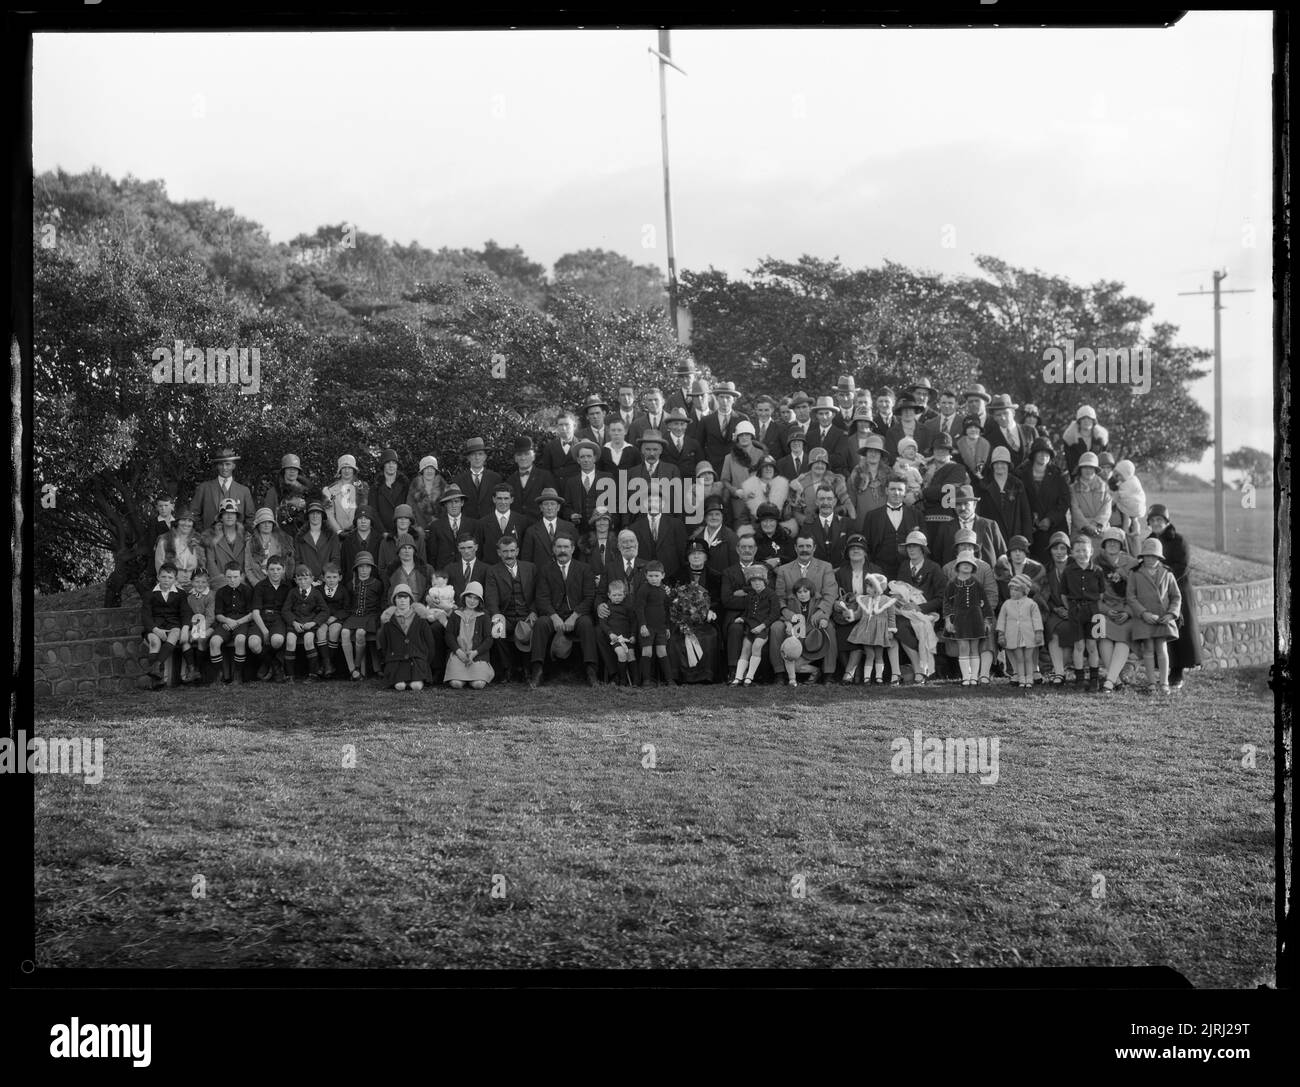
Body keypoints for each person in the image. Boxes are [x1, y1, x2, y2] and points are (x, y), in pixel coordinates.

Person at [529, 535, 599, 688]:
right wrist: (554, 617)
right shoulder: (545, 570)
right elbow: (542, 598)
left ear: (573, 549)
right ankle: (537, 671)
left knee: (587, 624)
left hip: (577, 614)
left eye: (566, 547)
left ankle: (591, 671)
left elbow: (589, 597)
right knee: (541, 624)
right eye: (559, 547)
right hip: (553, 613)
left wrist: (574, 617)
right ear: (553, 549)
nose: (562, 550)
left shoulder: (584, 569)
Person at [1145, 505, 1202, 688]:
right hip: (1158, 593)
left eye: (1159, 520)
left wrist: (1163, 580)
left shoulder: (1179, 541)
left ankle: (1178, 672)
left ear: (1167, 522)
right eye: (1152, 520)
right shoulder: (1150, 541)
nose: (1156, 523)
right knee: (1163, 632)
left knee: (1180, 630)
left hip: (1178, 590)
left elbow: (1181, 566)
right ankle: (1165, 671)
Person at [769, 535, 838, 683]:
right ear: (795, 548)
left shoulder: (825, 567)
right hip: (792, 615)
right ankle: (780, 673)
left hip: (815, 614)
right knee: (776, 628)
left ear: (814, 548)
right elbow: (779, 597)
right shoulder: (784, 570)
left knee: (829, 628)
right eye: (801, 546)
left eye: (808, 546)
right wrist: (786, 613)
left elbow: (830, 593)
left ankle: (828, 673)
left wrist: (821, 612)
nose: (804, 550)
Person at [1127, 537, 1183, 694]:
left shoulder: (1167, 573)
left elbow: (1176, 596)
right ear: (1142, 557)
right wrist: (1143, 613)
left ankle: (1164, 682)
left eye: (1154, 556)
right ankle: (1151, 682)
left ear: (1159, 557)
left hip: (1162, 618)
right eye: (1147, 555)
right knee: (1148, 649)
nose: (1150, 559)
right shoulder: (1135, 573)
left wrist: (1171, 614)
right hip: (1144, 619)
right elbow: (1130, 597)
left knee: (1161, 647)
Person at [890, 530, 946, 684]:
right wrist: (898, 599)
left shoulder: (934, 568)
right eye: (909, 547)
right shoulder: (903, 566)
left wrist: (920, 607)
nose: (911, 550)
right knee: (895, 625)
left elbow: (942, 597)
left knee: (909, 626)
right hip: (904, 612)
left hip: (927, 613)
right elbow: (901, 590)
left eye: (915, 546)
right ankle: (917, 669)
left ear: (923, 549)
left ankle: (920, 669)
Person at [483, 534, 538, 684]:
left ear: (517, 551)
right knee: (498, 630)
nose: (509, 555)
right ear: (499, 553)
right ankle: (507, 669)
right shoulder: (493, 571)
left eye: (512, 551)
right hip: (505, 614)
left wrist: (534, 611)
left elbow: (538, 594)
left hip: (526, 614)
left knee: (531, 631)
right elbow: (491, 597)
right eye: (505, 551)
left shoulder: (530, 568)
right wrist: (496, 615)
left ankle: (527, 670)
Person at [668, 537, 721, 684]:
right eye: (692, 553)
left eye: (699, 553)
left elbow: (718, 599)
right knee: (675, 639)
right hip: (683, 621)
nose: (696, 556)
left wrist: (710, 610)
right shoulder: (676, 576)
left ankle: (706, 676)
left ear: (706, 556)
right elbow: (672, 598)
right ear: (687, 557)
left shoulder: (716, 576)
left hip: (706, 620)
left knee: (710, 636)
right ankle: (680, 677)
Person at [1094, 527, 1137, 693]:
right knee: (1103, 633)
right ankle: (1115, 680)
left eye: (1116, 542)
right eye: (1109, 542)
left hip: (1126, 610)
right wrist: (1105, 610)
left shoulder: (1132, 563)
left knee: (1123, 638)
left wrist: (1127, 611)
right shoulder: (1096, 563)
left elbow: (1136, 593)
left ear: (1121, 545)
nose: (1112, 545)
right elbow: (1092, 594)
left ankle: (1109, 681)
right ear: (1104, 544)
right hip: (1104, 609)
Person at [1017, 437, 1071, 564]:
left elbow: (1065, 501)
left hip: (1054, 528)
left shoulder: (1058, 475)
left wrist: (1050, 519)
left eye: (1047, 453)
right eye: (1040, 452)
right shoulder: (1021, 475)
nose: (1043, 455)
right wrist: (1031, 518)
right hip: (1031, 530)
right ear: (1033, 454)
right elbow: (1019, 501)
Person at [861, 476, 923, 581]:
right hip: (880, 570)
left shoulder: (916, 515)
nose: (896, 493)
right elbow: (866, 545)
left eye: (900, 490)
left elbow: (923, 545)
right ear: (886, 491)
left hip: (909, 570)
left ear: (905, 492)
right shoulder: (872, 516)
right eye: (892, 489)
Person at [943, 556, 993, 686]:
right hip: (959, 619)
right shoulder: (952, 584)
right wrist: (948, 621)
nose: (966, 565)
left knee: (974, 647)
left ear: (973, 568)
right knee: (963, 646)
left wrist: (987, 620)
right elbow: (946, 603)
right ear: (957, 566)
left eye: (969, 564)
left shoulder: (977, 583)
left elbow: (986, 603)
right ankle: (966, 676)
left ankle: (974, 677)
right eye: (963, 563)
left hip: (975, 618)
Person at [143, 562, 190, 689]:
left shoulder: (180, 594)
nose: (166, 580)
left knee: (175, 632)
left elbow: (186, 613)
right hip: (155, 626)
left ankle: (156, 666)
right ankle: (156, 682)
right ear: (158, 577)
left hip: (173, 625)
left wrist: (185, 627)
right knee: (154, 642)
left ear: (175, 579)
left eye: (170, 578)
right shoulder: (149, 594)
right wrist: (155, 630)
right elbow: (146, 616)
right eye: (163, 577)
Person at [380, 585, 435, 692]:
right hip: (396, 660)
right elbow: (384, 643)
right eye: (399, 597)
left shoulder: (420, 618)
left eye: (405, 597)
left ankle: (416, 678)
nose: (402, 600)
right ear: (394, 600)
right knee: (400, 686)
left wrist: (425, 660)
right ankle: (399, 678)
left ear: (410, 599)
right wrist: (389, 658)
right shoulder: (388, 620)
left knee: (416, 686)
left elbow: (430, 643)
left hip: (417, 660)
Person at [780, 578, 833, 686]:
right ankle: (808, 674)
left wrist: (824, 619)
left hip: (812, 642)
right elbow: (783, 616)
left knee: (795, 665)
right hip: (798, 640)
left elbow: (825, 612)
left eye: (805, 592)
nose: (802, 595)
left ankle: (818, 671)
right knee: (791, 663)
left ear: (811, 592)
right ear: (795, 594)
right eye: (799, 592)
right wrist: (788, 623)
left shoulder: (818, 602)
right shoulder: (792, 602)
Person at [919, 433, 969, 547]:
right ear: (933, 451)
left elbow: (947, 489)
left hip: (946, 521)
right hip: (923, 521)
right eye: (937, 448)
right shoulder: (923, 468)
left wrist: (922, 493)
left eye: (945, 449)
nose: (940, 451)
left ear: (950, 452)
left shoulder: (958, 469)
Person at [282, 563, 329, 681]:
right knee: (290, 641)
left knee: (309, 641)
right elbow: (285, 610)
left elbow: (325, 611)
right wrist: (293, 622)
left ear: (312, 579)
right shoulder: (292, 592)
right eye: (300, 579)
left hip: (309, 623)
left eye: (305, 578)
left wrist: (313, 623)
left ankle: (313, 674)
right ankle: (289, 675)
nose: (303, 582)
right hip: (295, 623)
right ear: (295, 580)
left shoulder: (316, 593)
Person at [731, 565, 778, 686]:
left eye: (759, 580)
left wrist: (762, 626)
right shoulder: (750, 595)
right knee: (745, 648)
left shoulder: (771, 595)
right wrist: (742, 618)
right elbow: (748, 612)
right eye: (753, 581)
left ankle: (749, 677)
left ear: (765, 581)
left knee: (756, 646)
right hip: (751, 626)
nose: (757, 583)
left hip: (763, 627)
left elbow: (774, 614)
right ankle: (738, 677)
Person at [192, 448, 256, 533]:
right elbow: (194, 514)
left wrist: (241, 534)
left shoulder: (244, 491)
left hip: (236, 541)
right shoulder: (204, 488)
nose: (224, 468)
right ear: (217, 466)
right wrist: (204, 532)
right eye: (221, 464)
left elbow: (251, 517)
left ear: (233, 466)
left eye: (228, 464)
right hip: (210, 541)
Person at [978, 447, 1034, 547]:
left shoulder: (1017, 484)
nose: (999, 466)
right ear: (992, 465)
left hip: (1014, 535)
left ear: (1008, 465)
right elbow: (979, 512)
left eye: (1003, 463)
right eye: (996, 463)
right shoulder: (984, 485)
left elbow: (1025, 512)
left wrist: (1027, 537)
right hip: (991, 536)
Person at [444, 582, 495, 689]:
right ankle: (461, 676)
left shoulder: (484, 615)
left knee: (478, 684)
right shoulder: (456, 613)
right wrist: (458, 651)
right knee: (456, 684)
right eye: (469, 597)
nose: (472, 601)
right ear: (464, 597)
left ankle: (473, 676)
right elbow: (449, 635)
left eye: (476, 598)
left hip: (477, 656)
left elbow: (489, 639)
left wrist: (475, 653)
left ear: (480, 601)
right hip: (458, 654)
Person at [996, 574, 1044, 688]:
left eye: (1016, 589)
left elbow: (1037, 619)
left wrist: (1038, 633)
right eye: (1011, 589)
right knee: (1019, 658)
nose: (1013, 592)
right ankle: (1021, 679)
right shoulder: (1006, 604)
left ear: (1024, 591)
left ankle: (1029, 678)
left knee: (1028, 658)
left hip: (1029, 635)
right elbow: (1002, 620)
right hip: (1013, 635)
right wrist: (1001, 634)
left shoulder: (1031, 604)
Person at [249, 554, 292, 682]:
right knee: (254, 644)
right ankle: (271, 663)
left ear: (283, 570)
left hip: (278, 618)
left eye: (278, 569)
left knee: (277, 641)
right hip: (261, 618)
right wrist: (264, 631)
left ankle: (271, 664)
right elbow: (255, 612)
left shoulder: (288, 587)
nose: (275, 572)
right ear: (266, 570)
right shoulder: (260, 586)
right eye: (272, 569)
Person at [341, 551, 382, 680]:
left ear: (371, 568)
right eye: (361, 567)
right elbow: (347, 605)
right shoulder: (351, 584)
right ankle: (351, 669)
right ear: (356, 568)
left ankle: (358, 665)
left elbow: (380, 604)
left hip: (370, 615)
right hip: (354, 615)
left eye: (367, 567)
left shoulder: (377, 584)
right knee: (344, 632)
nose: (364, 570)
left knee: (360, 633)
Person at [211, 560, 253, 684]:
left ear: (241, 576)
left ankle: (237, 675)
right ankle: (219, 675)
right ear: (225, 576)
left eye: (235, 577)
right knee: (214, 641)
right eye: (229, 577)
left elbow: (251, 614)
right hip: (225, 622)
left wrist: (237, 622)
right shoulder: (221, 592)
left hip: (242, 622)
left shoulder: (247, 591)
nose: (232, 580)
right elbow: (218, 614)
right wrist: (227, 620)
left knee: (240, 640)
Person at [634, 560, 675, 686]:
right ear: (646, 575)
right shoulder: (644, 589)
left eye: (656, 576)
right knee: (647, 652)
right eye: (650, 576)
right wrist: (642, 625)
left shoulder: (663, 590)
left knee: (662, 651)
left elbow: (666, 609)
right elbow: (639, 608)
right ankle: (645, 680)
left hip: (661, 627)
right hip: (647, 627)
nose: (653, 579)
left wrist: (667, 627)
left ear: (662, 575)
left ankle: (669, 680)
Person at [630, 491, 688, 580]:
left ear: (663, 504)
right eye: (649, 501)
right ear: (645, 504)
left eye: (657, 501)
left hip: (672, 576)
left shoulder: (676, 524)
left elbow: (682, 552)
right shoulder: (635, 527)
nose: (653, 504)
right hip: (645, 578)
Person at [719, 421, 766, 524]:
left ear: (751, 436)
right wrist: (735, 491)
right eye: (741, 435)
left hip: (758, 502)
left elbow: (769, 477)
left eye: (747, 434)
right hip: (738, 505)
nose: (744, 437)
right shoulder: (729, 458)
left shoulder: (761, 455)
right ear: (737, 437)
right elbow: (724, 480)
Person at [426, 484, 481, 570]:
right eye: (450, 502)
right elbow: (432, 554)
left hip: (467, 570)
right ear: (445, 505)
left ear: (462, 503)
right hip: (443, 571)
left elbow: (478, 551)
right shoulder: (435, 526)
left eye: (456, 501)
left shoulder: (473, 524)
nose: (453, 505)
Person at [504, 437, 556, 525]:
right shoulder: (510, 480)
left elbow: (553, 502)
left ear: (533, 456)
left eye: (527, 454)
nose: (523, 458)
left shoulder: (545, 476)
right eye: (519, 455)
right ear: (515, 458)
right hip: (517, 526)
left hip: (540, 525)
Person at [700, 381, 749, 472]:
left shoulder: (742, 419)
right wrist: (706, 465)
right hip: (712, 468)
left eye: (728, 397)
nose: (724, 401)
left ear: (734, 399)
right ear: (717, 398)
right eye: (721, 397)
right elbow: (700, 446)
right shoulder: (706, 420)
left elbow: (749, 445)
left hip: (736, 468)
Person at [522, 487, 577, 568]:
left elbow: (576, 555)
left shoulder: (569, 528)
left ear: (558, 507)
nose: (549, 507)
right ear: (541, 507)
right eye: (546, 504)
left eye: (552, 504)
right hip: (540, 577)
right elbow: (526, 560)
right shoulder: (531, 531)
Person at [263, 453, 315, 537]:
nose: (292, 471)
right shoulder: (273, 492)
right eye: (289, 468)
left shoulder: (306, 492)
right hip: (280, 538)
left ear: (299, 472)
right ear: (284, 471)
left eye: (295, 469)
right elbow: (267, 517)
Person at [598, 578, 639, 687]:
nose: (617, 598)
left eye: (620, 595)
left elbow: (633, 622)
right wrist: (610, 633)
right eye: (614, 595)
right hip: (614, 638)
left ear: (624, 594)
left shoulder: (628, 607)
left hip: (627, 637)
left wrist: (633, 635)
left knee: (631, 655)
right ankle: (622, 680)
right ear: (609, 595)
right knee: (621, 653)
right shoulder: (606, 607)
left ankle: (635, 681)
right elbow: (602, 623)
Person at [847, 435, 890, 533]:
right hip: (862, 526)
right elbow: (851, 504)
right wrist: (854, 525)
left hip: (885, 526)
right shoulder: (855, 476)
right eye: (870, 451)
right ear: (865, 453)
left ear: (881, 455)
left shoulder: (889, 475)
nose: (873, 454)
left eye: (877, 451)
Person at [204, 498, 249, 592]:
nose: (229, 516)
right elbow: (210, 563)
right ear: (220, 517)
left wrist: (241, 577)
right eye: (225, 513)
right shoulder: (212, 538)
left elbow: (249, 561)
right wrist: (223, 581)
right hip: (219, 584)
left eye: (233, 513)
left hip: (242, 582)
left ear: (236, 517)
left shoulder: (245, 537)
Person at [155, 506, 205, 588]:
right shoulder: (165, 540)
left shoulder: (197, 541)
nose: (186, 523)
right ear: (177, 522)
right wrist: (173, 584)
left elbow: (202, 566)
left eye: (189, 521)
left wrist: (198, 585)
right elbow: (159, 565)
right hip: (170, 584)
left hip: (193, 586)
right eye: (183, 520)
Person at [245, 506, 295, 587]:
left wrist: (279, 584)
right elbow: (248, 568)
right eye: (263, 522)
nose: (266, 525)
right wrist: (258, 586)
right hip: (259, 585)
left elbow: (287, 564)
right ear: (258, 524)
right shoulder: (250, 543)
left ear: (273, 524)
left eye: (269, 522)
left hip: (279, 585)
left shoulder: (281, 540)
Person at [294, 501, 341, 584]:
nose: (315, 516)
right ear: (308, 516)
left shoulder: (332, 536)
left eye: (318, 513)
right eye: (312, 513)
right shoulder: (299, 537)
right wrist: (306, 579)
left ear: (322, 516)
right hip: (306, 582)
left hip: (327, 581)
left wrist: (324, 578)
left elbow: (335, 559)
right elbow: (298, 560)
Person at [181, 569, 216, 683]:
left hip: (209, 626)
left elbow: (210, 617)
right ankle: (192, 670)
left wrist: (197, 632)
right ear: (191, 582)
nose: (200, 585)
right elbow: (188, 615)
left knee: (201, 639)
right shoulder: (189, 597)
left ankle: (199, 669)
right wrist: (191, 631)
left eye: (203, 582)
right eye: (197, 582)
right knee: (185, 640)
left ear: (207, 583)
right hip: (194, 625)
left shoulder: (210, 596)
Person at [323, 453, 369, 536]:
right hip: (338, 537)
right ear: (340, 470)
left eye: (349, 468)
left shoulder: (362, 488)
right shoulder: (330, 490)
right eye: (344, 468)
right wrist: (339, 532)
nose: (347, 471)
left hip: (359, 534)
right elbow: (329, 514)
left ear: (354, 470)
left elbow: (366, 511)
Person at [806, 396, 853, 475]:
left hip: (834, 475)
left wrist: (816, 458)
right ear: (817, 415)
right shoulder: (810, 435)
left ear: (833, 415)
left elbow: (840, 459)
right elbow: (806, 457)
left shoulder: (841, 435)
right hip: (813, 475)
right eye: (821, 414)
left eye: (827, 413)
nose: (824, 417)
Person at [1069, 452, 1112, 537]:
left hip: (1100, 530)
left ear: (1095, 470)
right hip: (1080, 532)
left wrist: (1096, 524)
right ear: (1080, 469)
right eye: (1085, 467)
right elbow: (1075, 510)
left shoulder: (1104, 486)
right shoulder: (1072, 488)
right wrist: (1087, 526)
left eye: (1091, 467)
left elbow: (1106, 509)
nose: (1088, 470)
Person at [317, 562, 349, 678]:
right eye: (328, 577)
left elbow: (346, 608)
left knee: (334, 631)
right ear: (323, 578)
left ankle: (326, 664)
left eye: (334, 577)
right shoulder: (318, 590)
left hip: (337, 618)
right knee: (320, 631)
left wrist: (335, 617)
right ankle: (327, 664)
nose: (331, 580)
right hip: (322, 618)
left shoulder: (343, 590)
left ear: (340, 578)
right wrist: (323, 618)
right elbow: (316, 606)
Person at [739, 454, 789, 526]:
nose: (768, 469)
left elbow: (788, 516)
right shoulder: (750, 489)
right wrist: (748, 534)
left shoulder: (784, 489)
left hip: (778, 532)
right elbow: (743, 518)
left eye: (771, 466)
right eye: (765, 466)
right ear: (760, 470)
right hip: (756, 533)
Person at [1111, 459, 1148, 554]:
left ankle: (1125, 531)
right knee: (1134, 519)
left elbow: (1124, 493)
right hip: (1136, 505)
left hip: (1133, 504)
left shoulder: (1130, 483)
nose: (1118, 478)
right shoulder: (1132, 479)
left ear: (1125, 474)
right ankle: (1135, 530)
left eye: (1119, 475)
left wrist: (1117, 496)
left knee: (1127, 516)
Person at [982, 394, 1030, 468]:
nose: (1003, 418)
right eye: (998, 415)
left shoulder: (1030, 431)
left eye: (1005, 413)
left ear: (1013, 413)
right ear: (994, 417)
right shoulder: (990, 439)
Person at [1061, 405, 1109, 476]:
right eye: (1083, 419)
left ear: (1093, 421)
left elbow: (1104, 461)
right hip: (1077, 477)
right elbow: (1070, 463)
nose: (1086, 421)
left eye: (1089, 418)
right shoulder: (1070, 440)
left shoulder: (1101, 440)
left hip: (1097, 478)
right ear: (1079, 421)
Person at [340, 505, 381, 580]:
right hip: (352, 585)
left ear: (371, 521)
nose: (363, 521)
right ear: (356, 521)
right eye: (360, 518)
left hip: (375, 585)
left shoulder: (380, 540)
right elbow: (343, 566)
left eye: (367, 518)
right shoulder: (347, 541)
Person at [406, 455, 447, 530]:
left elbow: (449, 511)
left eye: (432, 468)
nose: (429, 471)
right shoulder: (413, 490)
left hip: (441, 530)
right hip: (420, 532)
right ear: (422, 471)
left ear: (436, 471)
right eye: (426, 468)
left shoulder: (444, 489)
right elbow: (409, 511)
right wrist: (416, 528)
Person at [660, 409, 704, 478]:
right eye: (676, 424)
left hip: (689, 484)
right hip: (667, 484)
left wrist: (699, 486)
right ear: (669, 425)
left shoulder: (694, 444)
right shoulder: (662, 443)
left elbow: (700, 466)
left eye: (682, 424)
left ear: (686, 426)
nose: (679, 428)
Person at [538, 412, 581, 483]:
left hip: (577, 486)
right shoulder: (549, 447)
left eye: (567, 424)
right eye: (560, 425)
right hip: (557, 488)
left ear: (574, 426)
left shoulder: (582, 444)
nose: (564, 428)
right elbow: (546, 471)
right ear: (557, 427)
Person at [751, 503, 795, 569]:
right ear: (760, 522)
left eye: (771, 521)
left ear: (777, 522)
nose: (768, 524)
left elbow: (793, 560)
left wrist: (779, 560)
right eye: (765, 521)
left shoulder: (787, 539)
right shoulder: (753, 541)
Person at [955, 415, 991, 483]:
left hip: (985, 483)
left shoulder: (987, 445)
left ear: (980, 430)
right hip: (964, 482)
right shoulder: (957, 445)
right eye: (970, 427)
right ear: (965, 430)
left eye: (976, 427)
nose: (973, 429)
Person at [890, 438, 925, 507]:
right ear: (902, 452)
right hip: (904, 495)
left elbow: (923, 481)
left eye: (913, 449)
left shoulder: (920, 464)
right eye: (908, 449)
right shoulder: (898, 465)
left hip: (919, 495)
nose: (911, 451)